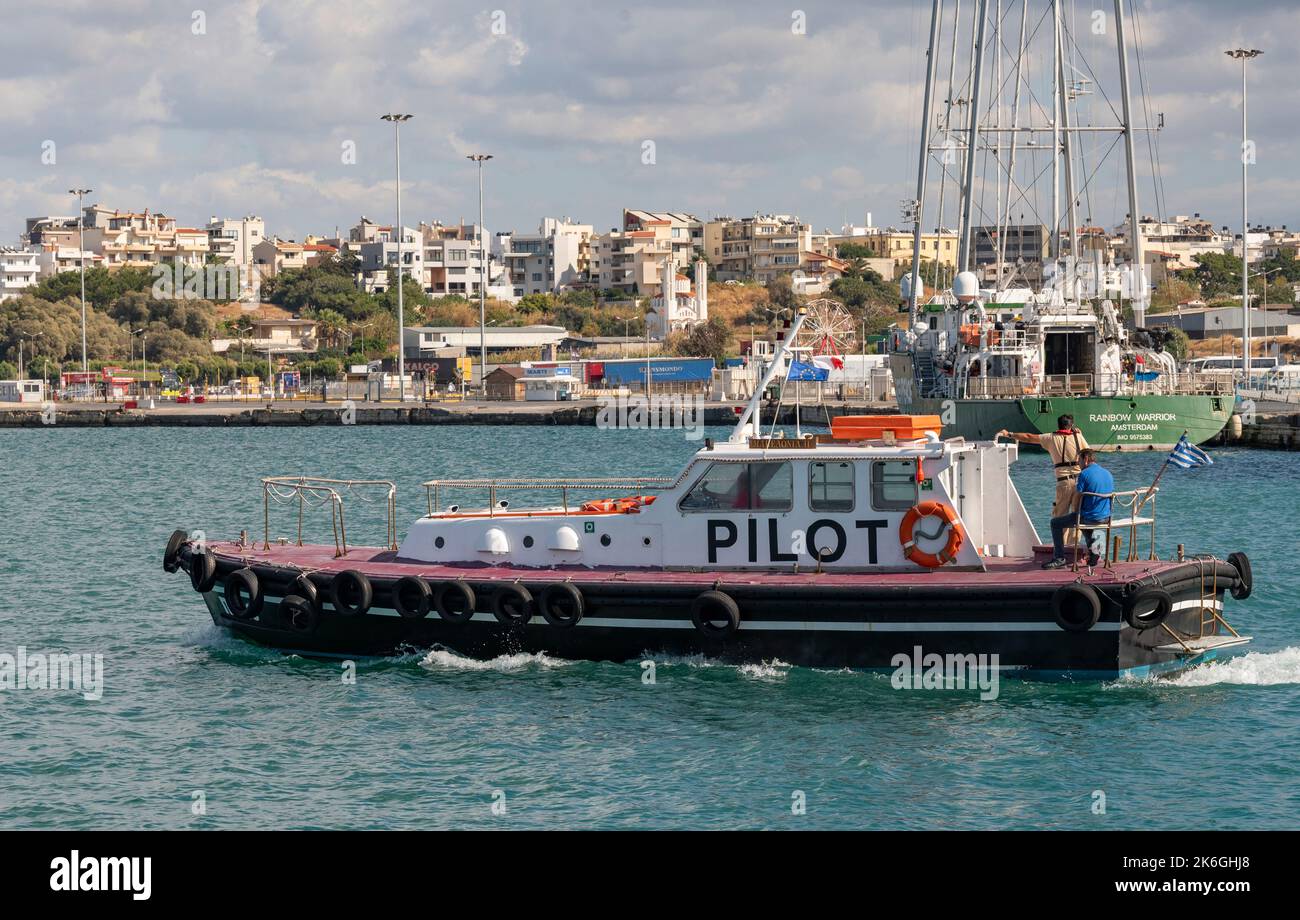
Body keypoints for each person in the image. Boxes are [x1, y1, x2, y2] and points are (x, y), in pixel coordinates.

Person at [997, 414, 1089, 517]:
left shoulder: (1050, 438)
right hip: (1080, 481)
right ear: (1071, 425)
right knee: (1078, 515)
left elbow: (1029, 437)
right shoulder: (1078, 437)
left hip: (1064, 482)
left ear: (1058, 425)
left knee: (1060, 516)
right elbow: (1089, 456)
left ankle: (1061, 533)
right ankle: (1075, 534)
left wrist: (1009, 434)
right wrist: (1079, 435)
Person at [1043, 449, 1113, 569]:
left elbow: (1077, 497)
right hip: (1106, 517)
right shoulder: (1108, 473)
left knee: (1055, 523)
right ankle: (1094, 552)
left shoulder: (1084, 474)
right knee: (1082, 520)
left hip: (1089, 518)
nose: (1078, 464)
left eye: (1079, 461)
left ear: (1085, 459)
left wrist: (1075, 511)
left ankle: (1059, 558)